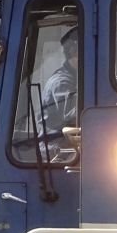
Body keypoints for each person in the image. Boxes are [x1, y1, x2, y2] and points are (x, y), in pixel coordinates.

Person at [40, 26, 79, 155]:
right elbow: (75, 111)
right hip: (57, 152)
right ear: (73, 52)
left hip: (69, 147)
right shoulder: (61, 83)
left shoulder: (77, 78)